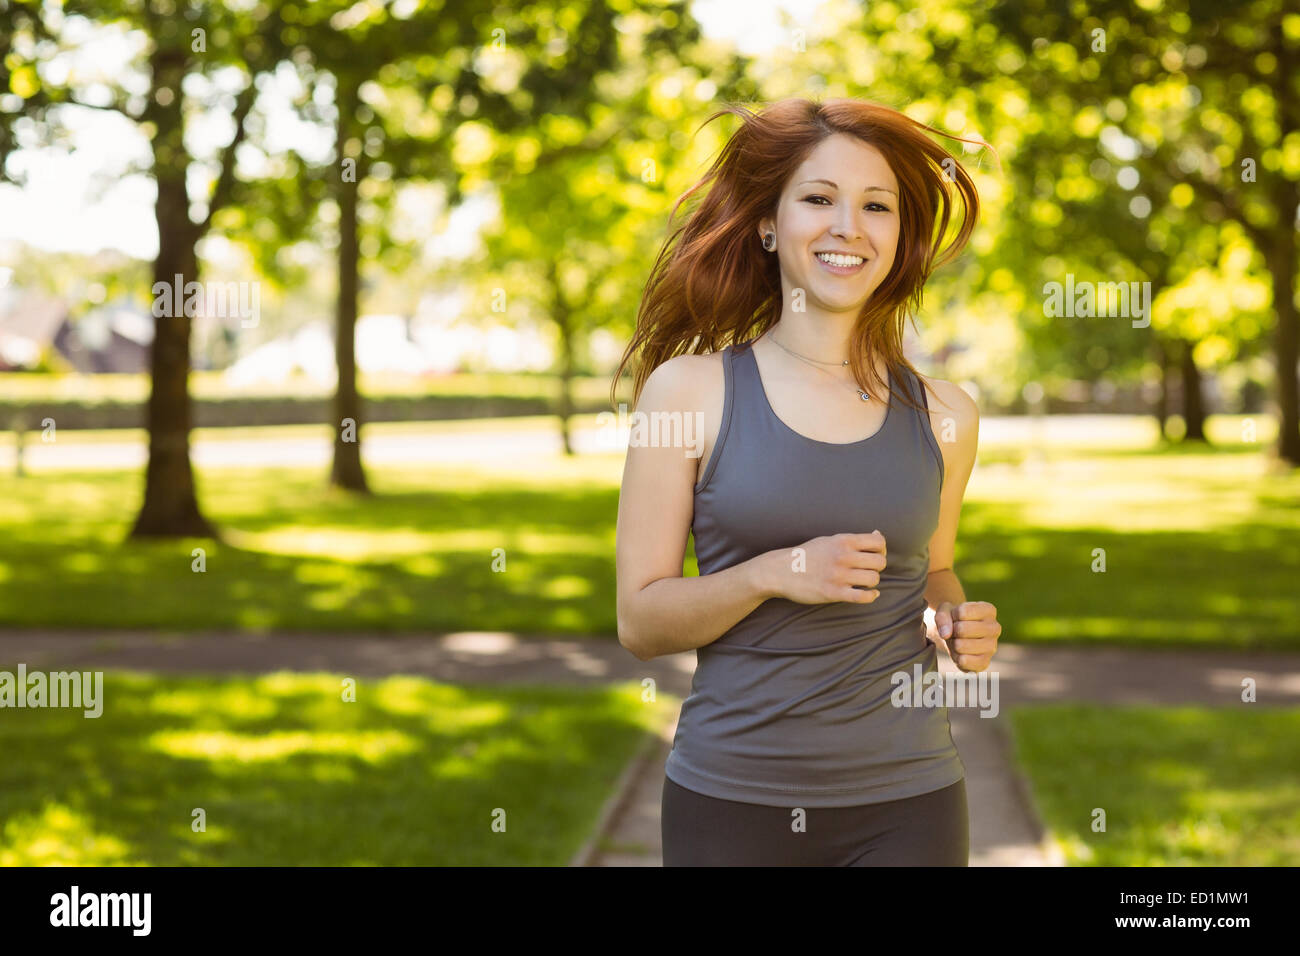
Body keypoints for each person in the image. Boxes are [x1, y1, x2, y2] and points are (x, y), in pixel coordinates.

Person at [611, 97, 1004, 866]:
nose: (848, 226)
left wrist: (956, 622)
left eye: (876, 205)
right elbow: (640, 622)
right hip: (731, 801)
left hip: (911, 801)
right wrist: (775, 574)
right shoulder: (688, 393)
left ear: (901, 235)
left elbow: (934, 573)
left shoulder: (947, 414)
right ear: (769, 224)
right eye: (818, 198)